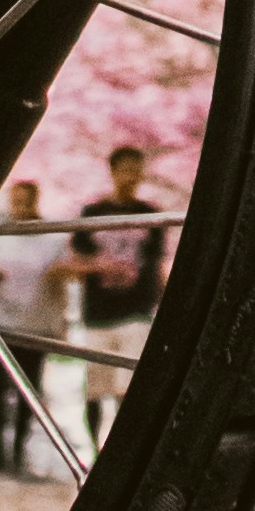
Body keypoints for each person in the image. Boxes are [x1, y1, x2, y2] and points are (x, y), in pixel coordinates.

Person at [66, 140, 173, 429]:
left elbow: (156, 264)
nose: (131, 177)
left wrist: (165, 304)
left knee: (128, 385)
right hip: (98, 312)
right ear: (113, 171)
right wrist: (101, 266)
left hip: (136, 311)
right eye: (126, 170)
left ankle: (123, 437)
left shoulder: (151, 214)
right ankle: (94, 447)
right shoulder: (92, 213)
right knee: (95, 388)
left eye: (137, 171)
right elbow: (74, 261)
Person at [0, 177, 73, 474]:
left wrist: (61, 322)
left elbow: (61, 282)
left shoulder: (52, 239)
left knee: (29, 389)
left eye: (26, 201)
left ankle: (18, 451)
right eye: (16, 201)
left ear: (35, 201)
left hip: (34, 326)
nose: (20, 207)